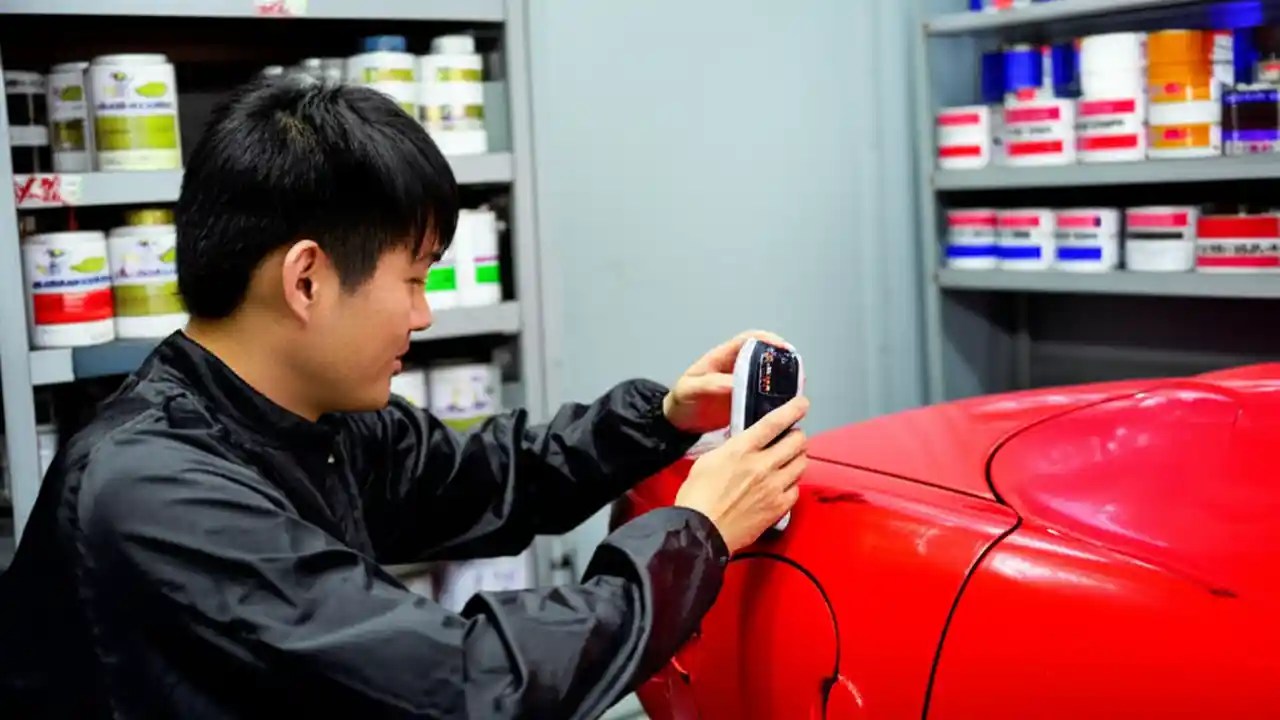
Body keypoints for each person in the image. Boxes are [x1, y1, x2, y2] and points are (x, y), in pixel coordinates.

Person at [0, 77, 809, 718]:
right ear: (307, 279)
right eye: (414, 278)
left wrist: (660, 418)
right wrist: (693, 536)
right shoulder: (158, 492)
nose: (423, 314)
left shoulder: (307, 420)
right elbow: (469, 683)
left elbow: (490, 477)